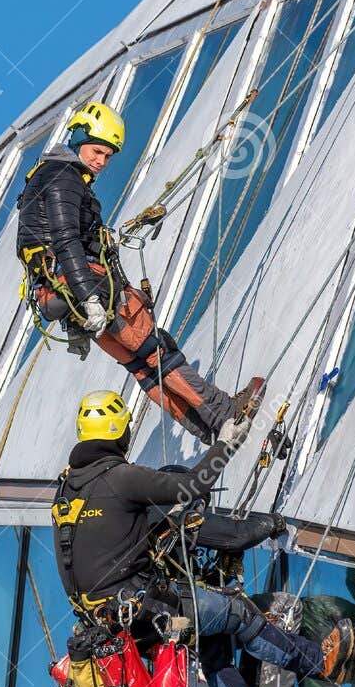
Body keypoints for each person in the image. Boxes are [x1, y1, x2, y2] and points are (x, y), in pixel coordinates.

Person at [53, 389, 355, 687]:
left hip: (117, 626)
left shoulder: (68, 490)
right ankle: (317, 662)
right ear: (119, 432)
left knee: (212, 646)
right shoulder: (120, 479)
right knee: (237, 614)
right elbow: (192, 486)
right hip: (145, 609)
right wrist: (227, 444)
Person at [17, 101, 258, 445]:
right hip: (90, 288)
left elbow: (59, 239)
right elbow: (66, 239)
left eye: (108, 155)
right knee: (157, 352)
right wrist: (90, 297)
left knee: (142, 367)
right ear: (79, 139)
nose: (102, 161)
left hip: (63, 296)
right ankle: (226, 414)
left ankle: (207, 429)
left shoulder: (47, 178)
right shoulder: (63, 176)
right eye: (97, 150)